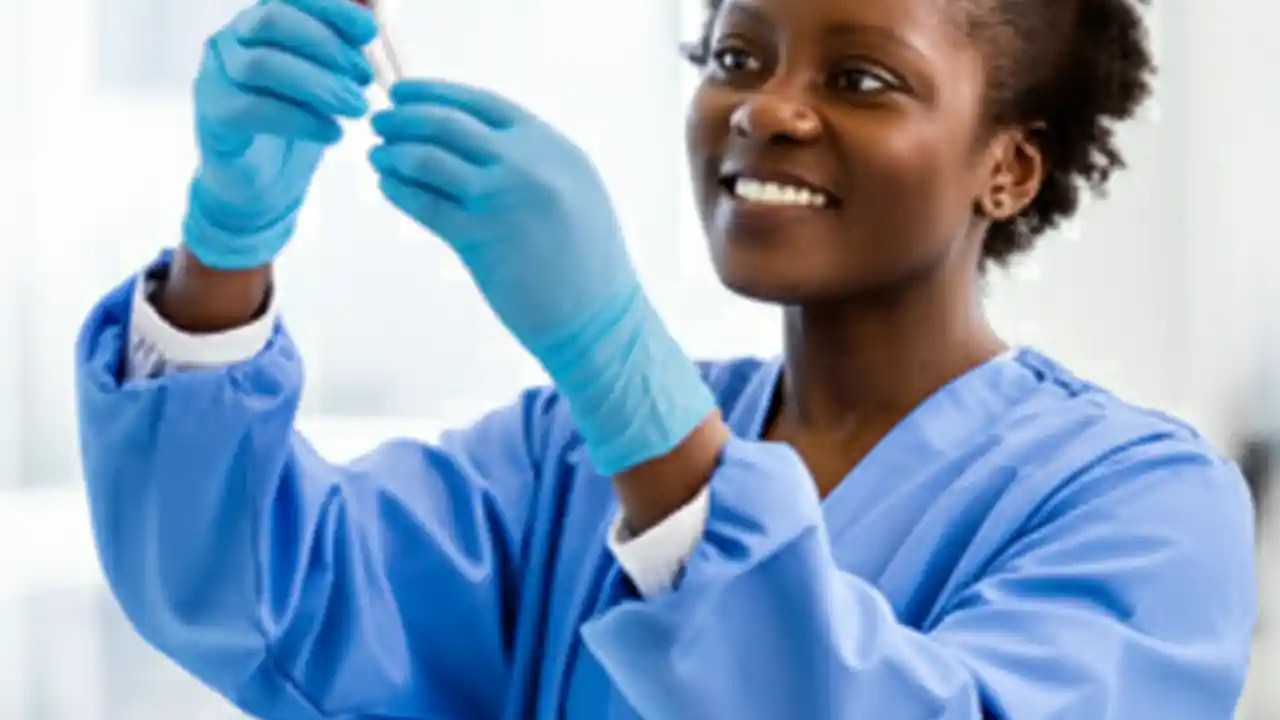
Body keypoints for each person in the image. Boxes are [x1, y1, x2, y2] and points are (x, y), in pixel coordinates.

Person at [74, 0, 1257, 717]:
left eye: (858, 78)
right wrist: (225, 248)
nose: (763, 110)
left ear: (1006, 166)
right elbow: (252, 600)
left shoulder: (1140, 506)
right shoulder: (563, 461)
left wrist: (627, 384)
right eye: (735, 56)